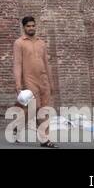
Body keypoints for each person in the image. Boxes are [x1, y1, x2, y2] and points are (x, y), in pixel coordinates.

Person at [13, 16, 56, 148]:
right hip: (29, 81)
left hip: (43, 81)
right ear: (24, 27)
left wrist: (51, 82)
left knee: (43, 110)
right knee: (36, 109)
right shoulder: (19, 43)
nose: (31, 28)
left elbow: (46, 63)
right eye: (28, 26)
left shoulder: (41, 43)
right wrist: (18, 83)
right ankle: (44, 140)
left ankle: (17, 127)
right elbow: (17, 64)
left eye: (33, 26)